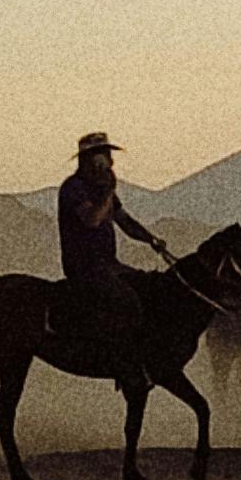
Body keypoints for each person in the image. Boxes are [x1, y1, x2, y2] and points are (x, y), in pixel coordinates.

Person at [52, 131, 162, 369]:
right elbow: (91, 219)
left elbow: (125, 222)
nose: (108, 161)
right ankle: (121, 359)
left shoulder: (101, 190)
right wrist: (109, 191)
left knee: (148, 289)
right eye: (102, 155)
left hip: (109, 264)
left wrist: (151, 239)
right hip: (84, 267)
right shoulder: (74, 188)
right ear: (88, 159)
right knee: (126, 299)